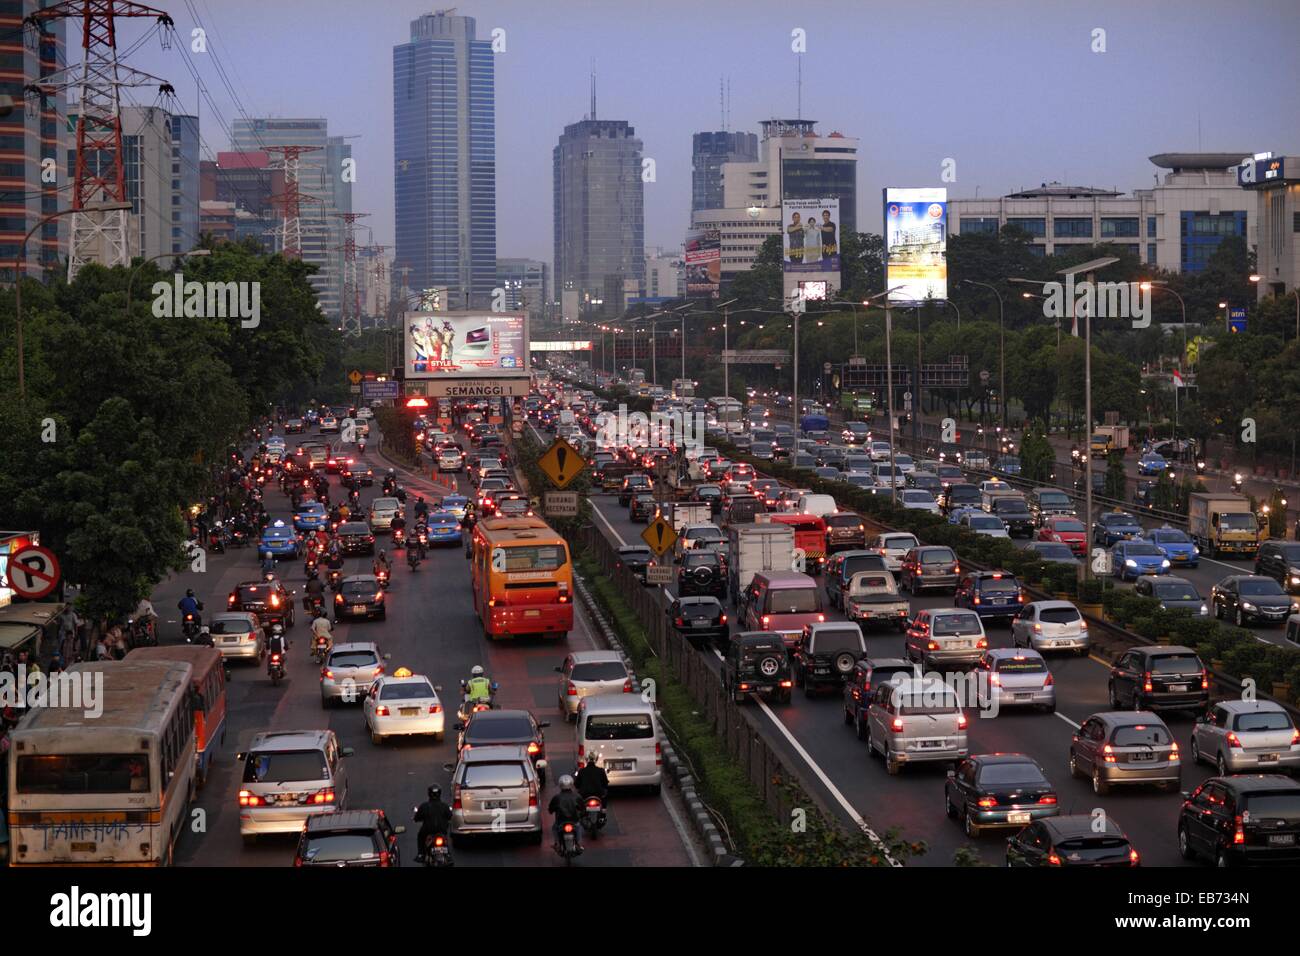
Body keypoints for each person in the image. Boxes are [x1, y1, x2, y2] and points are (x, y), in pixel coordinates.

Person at [414, 784, 453, 861]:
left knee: (420, 836)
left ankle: (421, 854)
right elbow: (450, 816)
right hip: (442, 831)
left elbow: (417, 818)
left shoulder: (424, 806)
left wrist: (416, 819)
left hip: (427, 831)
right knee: (446, 837)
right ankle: (448, 854)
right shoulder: (444, 806)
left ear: (429, 794)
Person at [547, 775, 582, 853]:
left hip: (560, 821)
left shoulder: (556, 797)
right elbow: (582, 807)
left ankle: (557, 843)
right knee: (578, 827)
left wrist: (551, 810)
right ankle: (578, 844)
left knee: (554, 828)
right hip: (574, 820)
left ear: (560, 785)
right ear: (571, 784)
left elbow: (550, 810)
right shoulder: (577, 796)